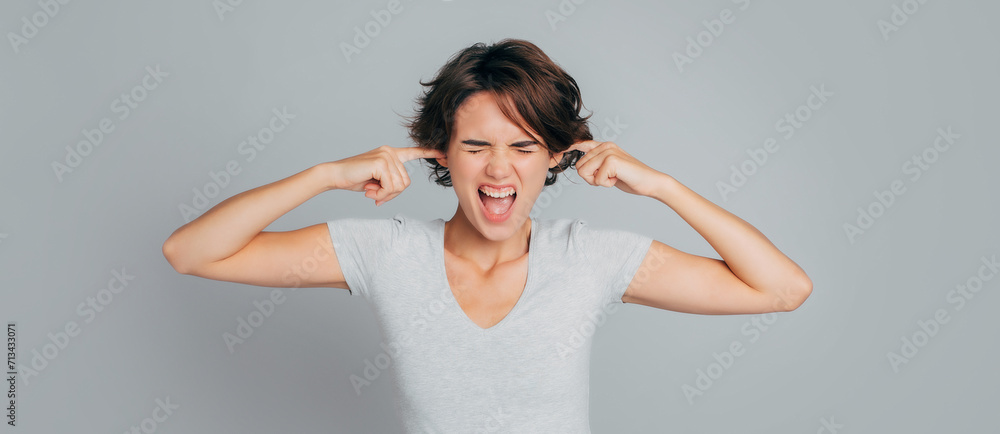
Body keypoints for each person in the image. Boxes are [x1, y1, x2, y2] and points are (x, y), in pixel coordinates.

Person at [162, 38, 812, 433]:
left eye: (524, 147)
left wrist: (664, 187)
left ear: (556, 156)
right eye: (475, 146)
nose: (499, 169)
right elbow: (189, 252)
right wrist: (326, 174)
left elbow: (784, 289)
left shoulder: (588, 259)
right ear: (440, 155)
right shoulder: (386, 254)